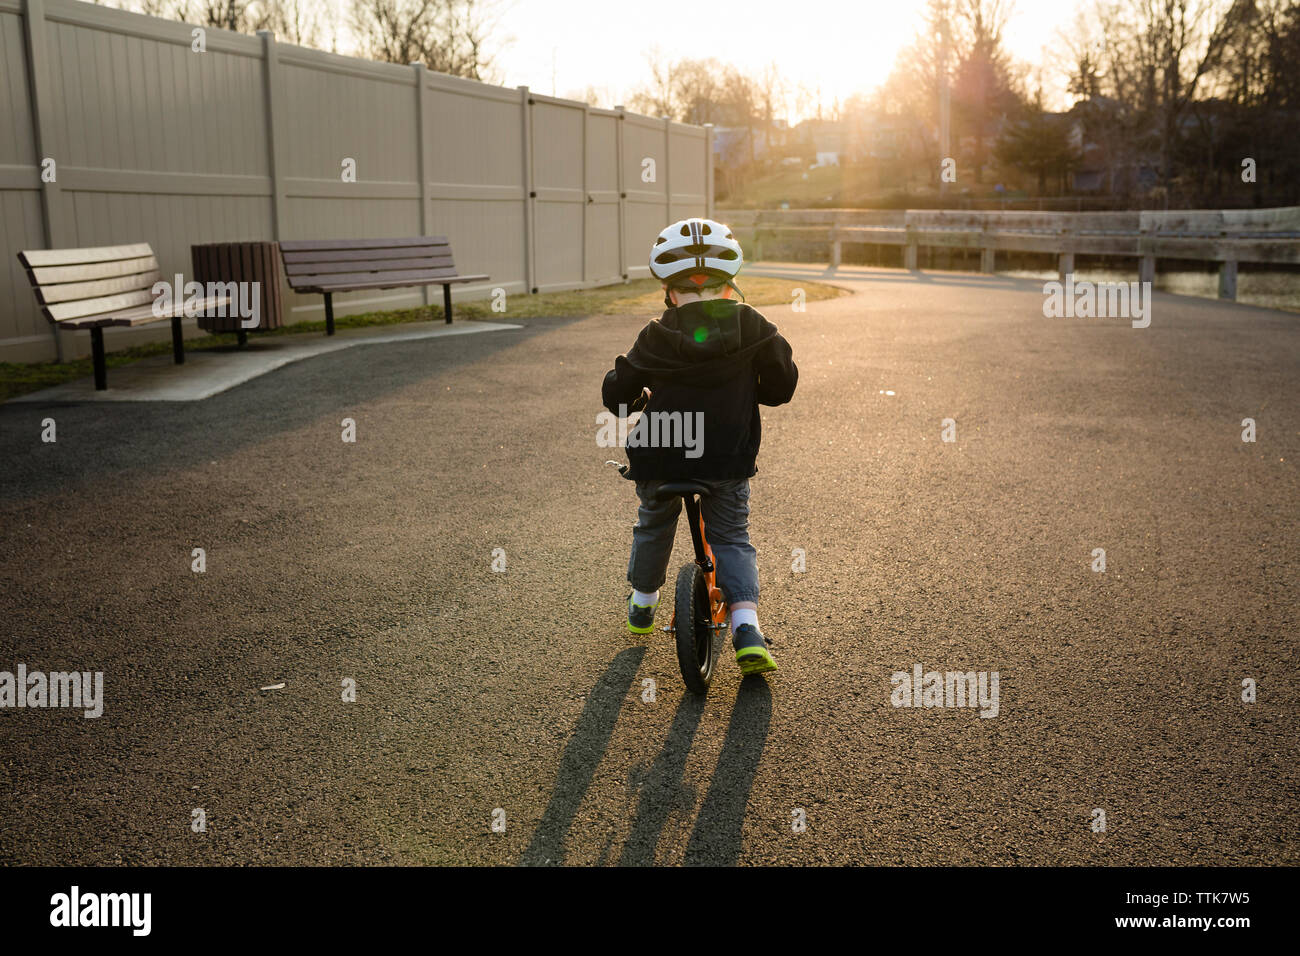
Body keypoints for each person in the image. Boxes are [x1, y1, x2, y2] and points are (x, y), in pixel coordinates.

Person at [601, 217, 798, 675]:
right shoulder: (753, 325)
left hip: (661, 456)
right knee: (731, 536)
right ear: (729, 287)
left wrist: (631, 393)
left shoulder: (657, 333)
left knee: (653, 525)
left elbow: (618, 394)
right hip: (726, 459)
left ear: (670, 292)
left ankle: (643, 603)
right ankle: (747, 628)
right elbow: (782, 386)